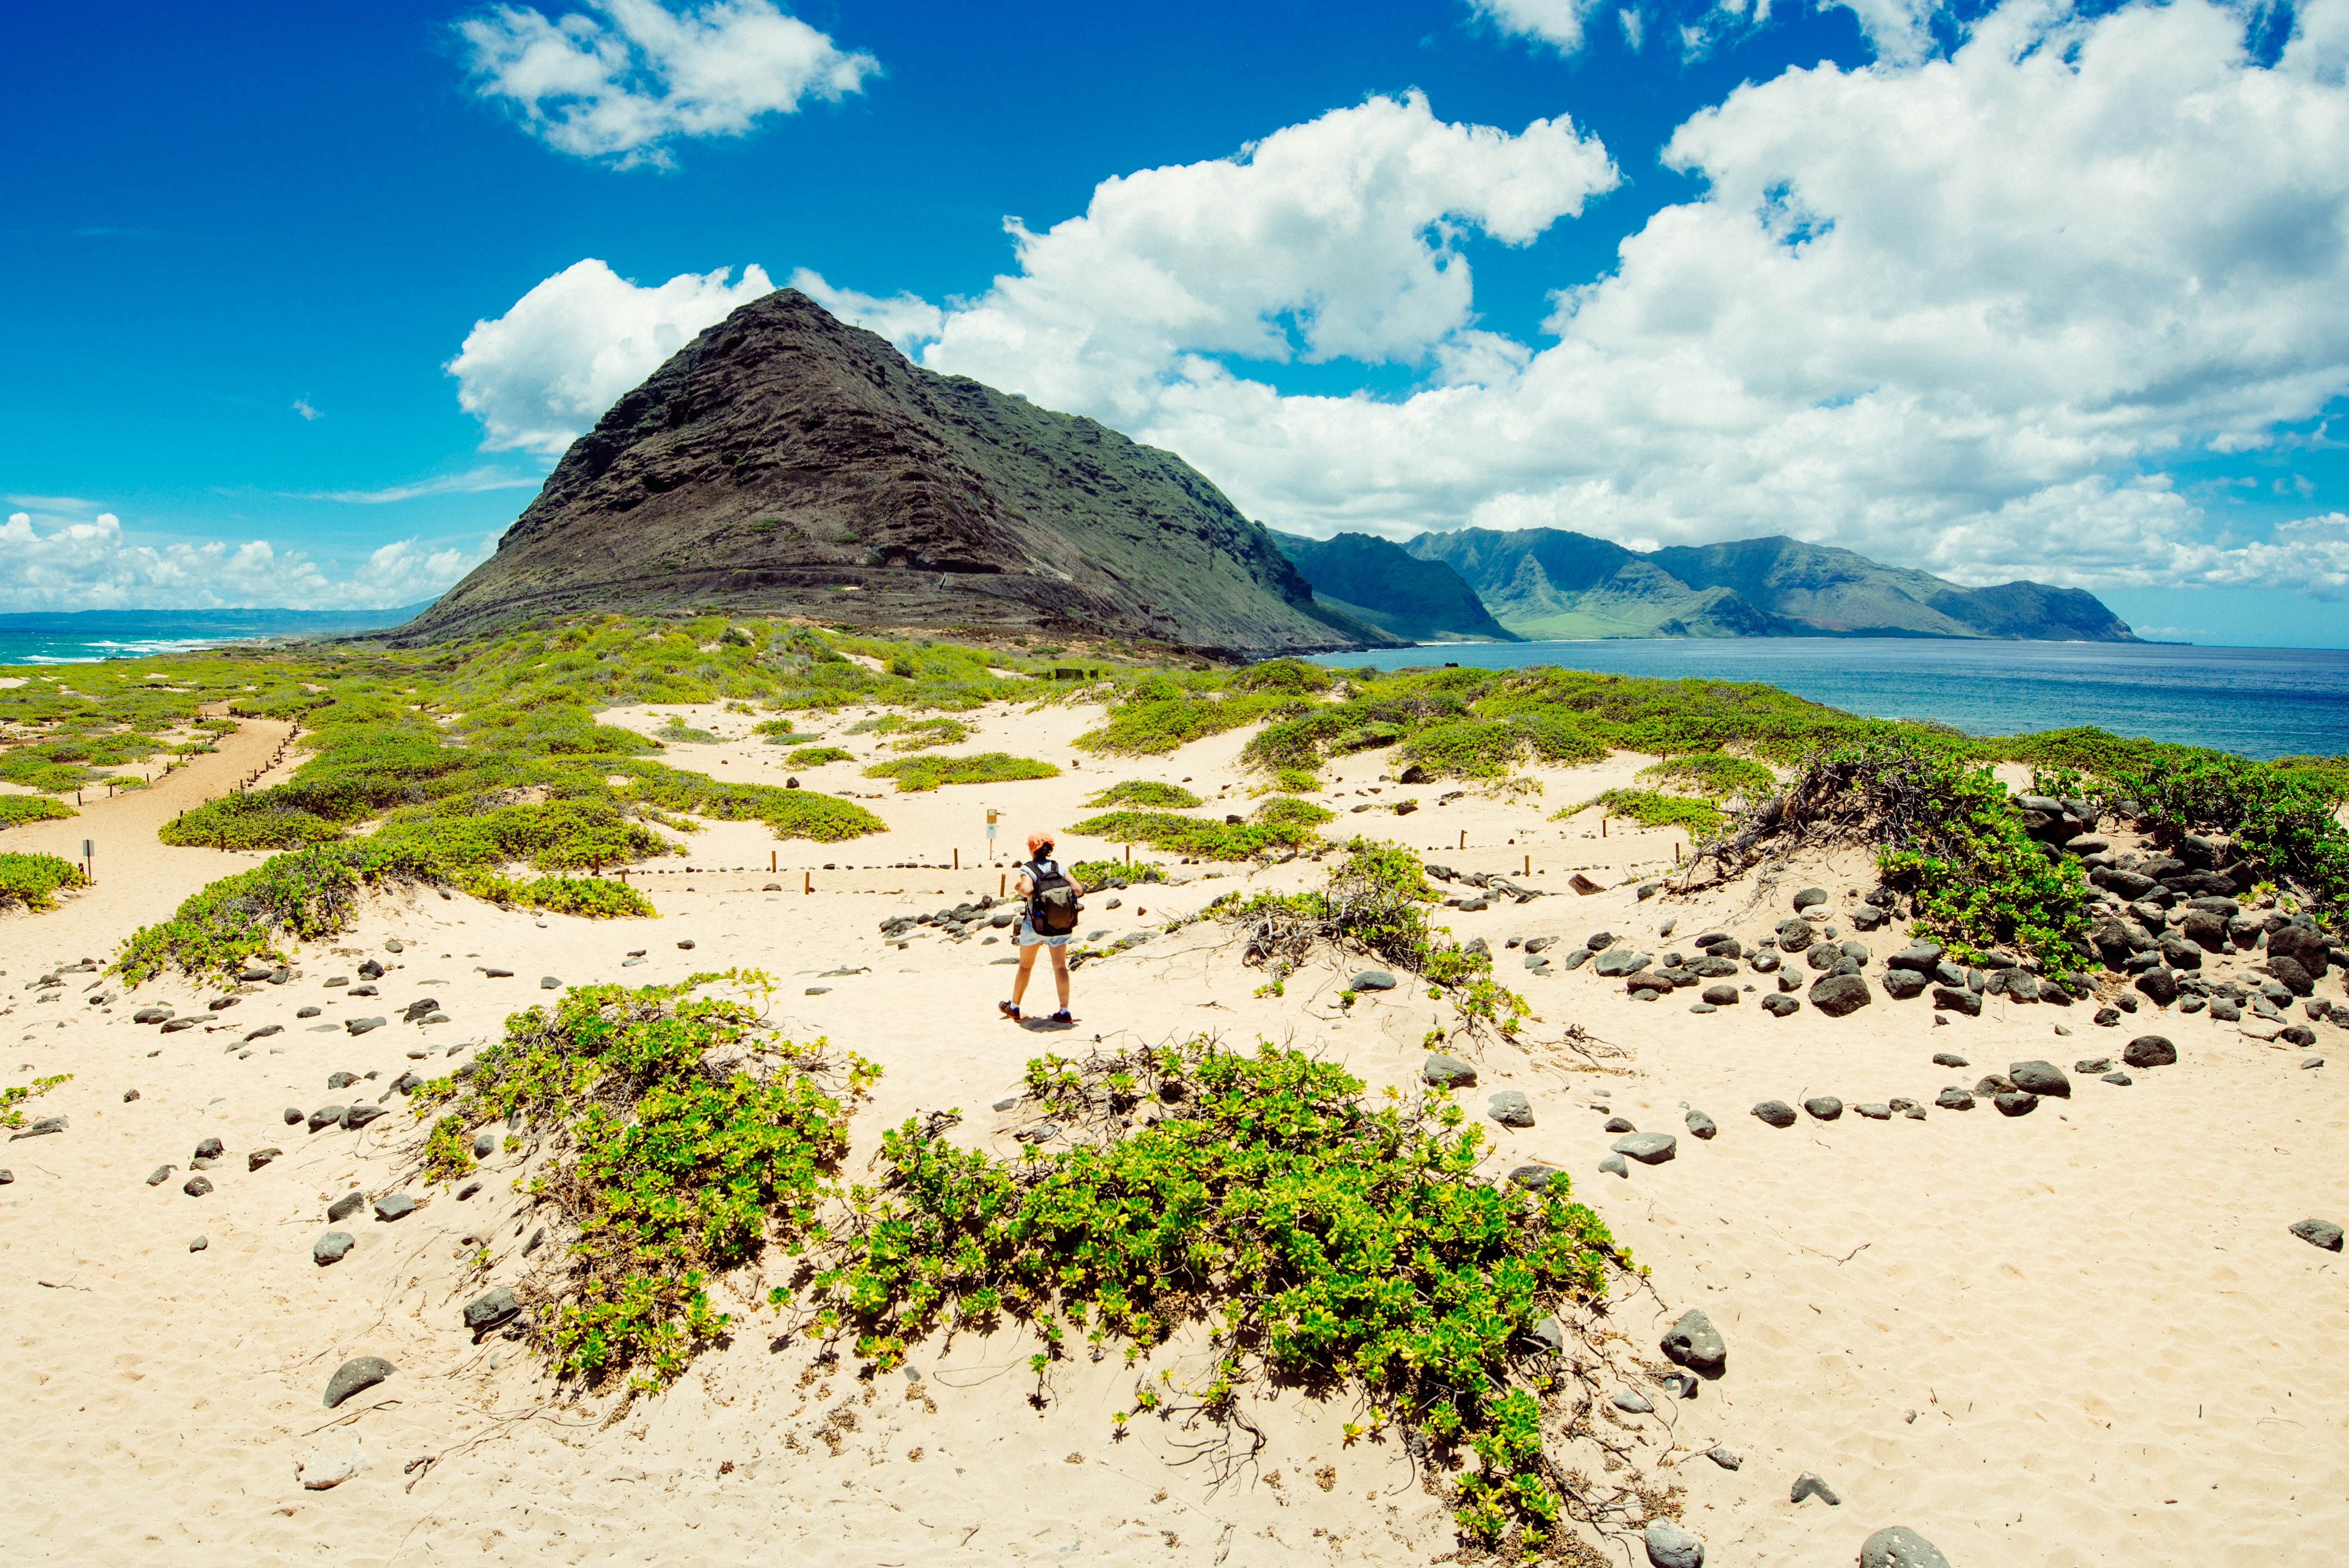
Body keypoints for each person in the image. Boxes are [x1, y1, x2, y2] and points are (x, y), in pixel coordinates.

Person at [1001, 830, 1084, 1023]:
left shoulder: (1028, 869)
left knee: (1025, 967)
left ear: (1032, 849)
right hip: (1059, 925)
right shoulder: (1059, 867)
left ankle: (1014, 1007)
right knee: (1061, 967)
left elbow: (1028, 891)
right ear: (1050, 848)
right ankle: (1065, 1011)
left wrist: (1019, 889)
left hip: (1035, 924)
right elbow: (1078, 890)